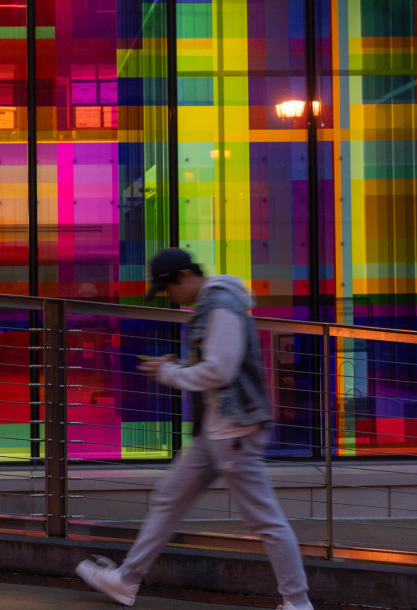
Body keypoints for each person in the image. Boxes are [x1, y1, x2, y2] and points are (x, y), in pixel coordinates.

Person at [75, 247, 314, 610]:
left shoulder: (220, 307)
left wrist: (171, 373)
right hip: (217, 432)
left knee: (266, 521)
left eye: (169, 289)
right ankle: (126, 580)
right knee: (169, 499)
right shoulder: (211, 305)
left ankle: (298, 603)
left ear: (185, 275)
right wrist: (180, 364)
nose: (170, 297)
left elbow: (220, 370)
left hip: (233, 433)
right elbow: (218, 364)